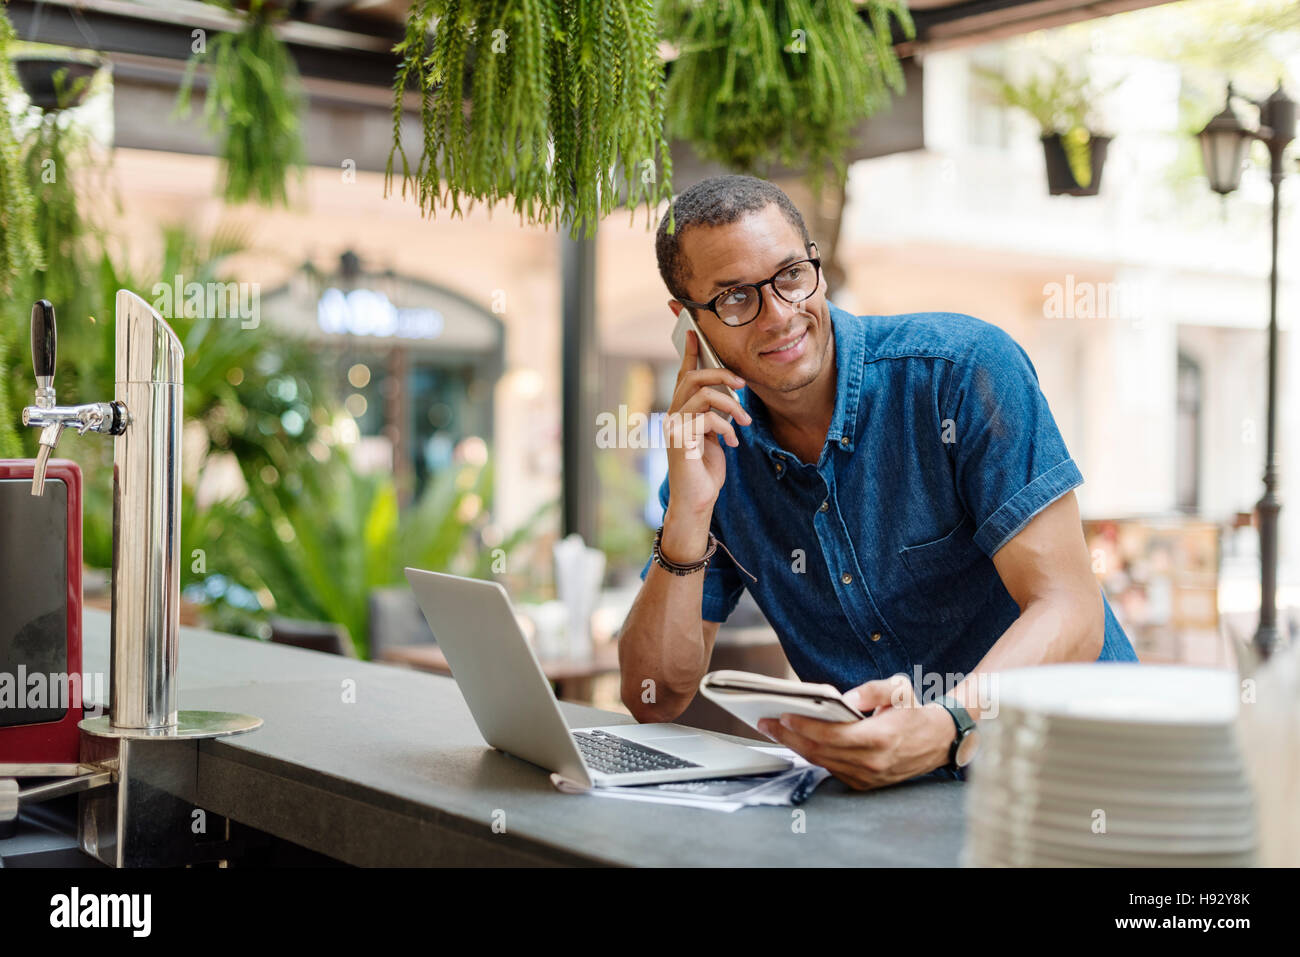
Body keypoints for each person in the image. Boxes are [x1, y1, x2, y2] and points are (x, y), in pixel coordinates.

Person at [617, 174, 1138, 790]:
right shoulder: (715, 451)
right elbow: (655, 697)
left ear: (818, 266)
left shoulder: (963, 372)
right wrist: (688, 515)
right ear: (688, 323)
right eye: (734, 298)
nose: (779, 315)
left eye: (790, 276)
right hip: (901, 812)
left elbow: (1071, 609)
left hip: (1086, 775)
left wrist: (950, 723)